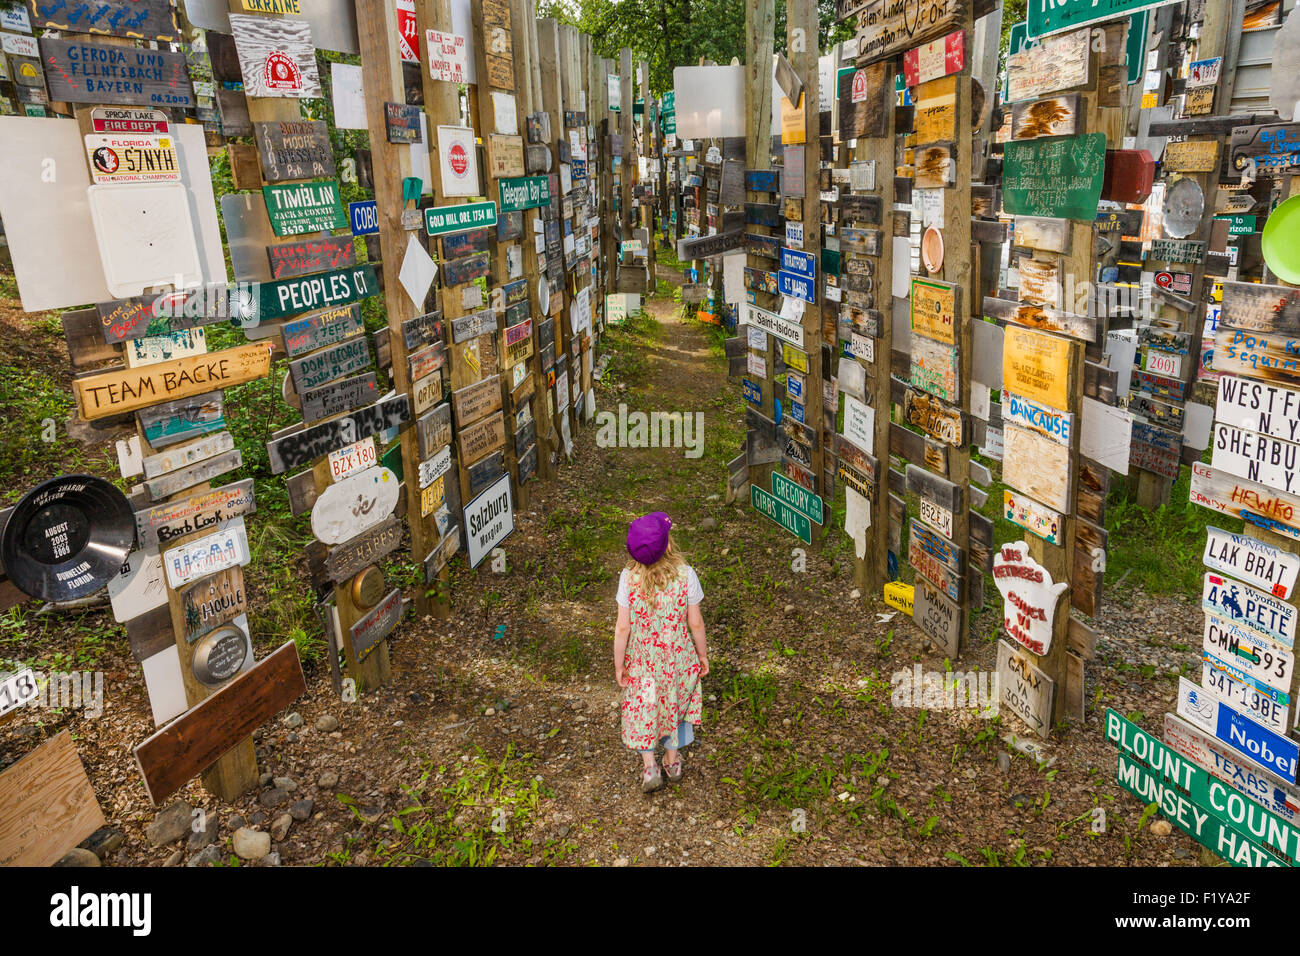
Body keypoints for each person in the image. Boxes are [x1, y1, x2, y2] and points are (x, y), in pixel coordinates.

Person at [614, 512, 709, 793]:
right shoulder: (685, 574)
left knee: (647, 707)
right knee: (676, 703)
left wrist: (619, 664)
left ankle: (650, 766)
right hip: (677, 659)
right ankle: (671, 759)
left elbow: (622, 628)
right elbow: (695, 622)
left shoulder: (628, 578)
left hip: (643, 661)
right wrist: (702, 655)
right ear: (668, 545)